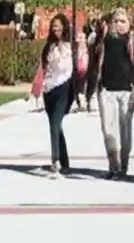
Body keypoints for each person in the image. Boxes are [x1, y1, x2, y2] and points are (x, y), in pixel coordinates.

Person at [95, 8, 134, 179]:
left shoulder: (131, 40)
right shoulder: (104, 39)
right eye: (116, 21)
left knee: (125, 128)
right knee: (108, 129)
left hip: (126, 90)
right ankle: (113, 165)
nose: (119, 24)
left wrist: (133, 38)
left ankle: (124, 164)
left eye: (123, 21)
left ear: (128, 24)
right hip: (107, 89)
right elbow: (94, 57)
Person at [37, 14, 87, 178]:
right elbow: (43, 68)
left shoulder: (71, 46)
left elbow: (80, 67)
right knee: (56, 126)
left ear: (65, 27)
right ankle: (65, 162)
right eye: (54, 26)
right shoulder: (48, 47)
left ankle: (55, 161)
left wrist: (81, 48)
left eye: (59, 26)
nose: (56, 29)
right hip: (49, 89)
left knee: (54, 124)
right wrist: (37, 88)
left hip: (64, 88)